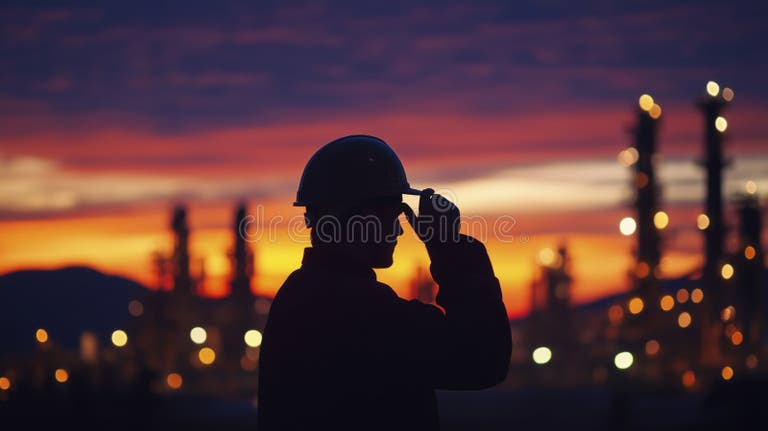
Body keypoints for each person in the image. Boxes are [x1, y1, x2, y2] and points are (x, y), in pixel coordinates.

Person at [257, 135, 511, 430]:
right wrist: (449, 246)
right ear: (362, 218)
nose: (399, 232)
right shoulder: (365, 311)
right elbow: (483, 359)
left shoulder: (297, 295)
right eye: (394, 216)